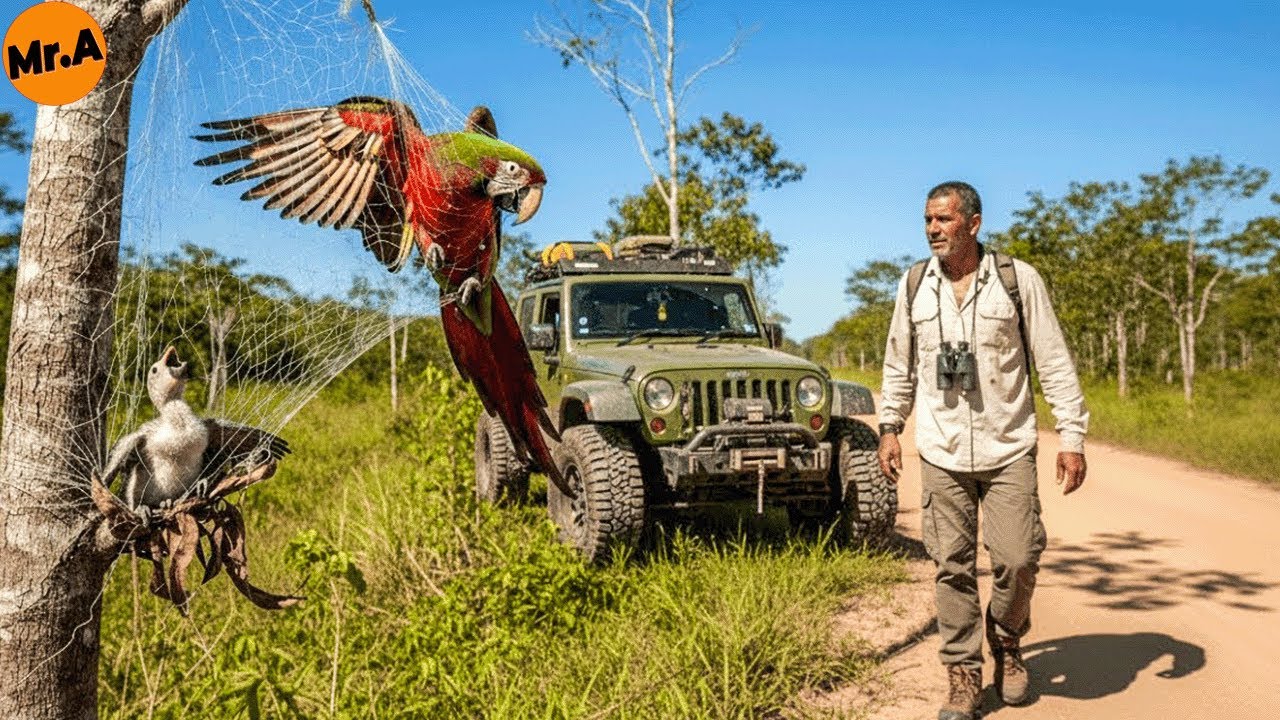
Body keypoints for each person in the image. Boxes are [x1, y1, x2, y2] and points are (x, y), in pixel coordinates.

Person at [877, 181, 1088, 720]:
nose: (932, 230)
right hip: (941, 451)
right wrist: (889, 425)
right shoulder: (914, 286)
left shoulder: (1017, 281)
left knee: (1018, 559)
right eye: (928, 219)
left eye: (944, 220)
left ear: (973, 223)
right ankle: (963, 676)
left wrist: (1071, 437)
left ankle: (1008, 639)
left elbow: (1053, 358)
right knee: (951, 566)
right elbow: (898, 362)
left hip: (1009, 446)